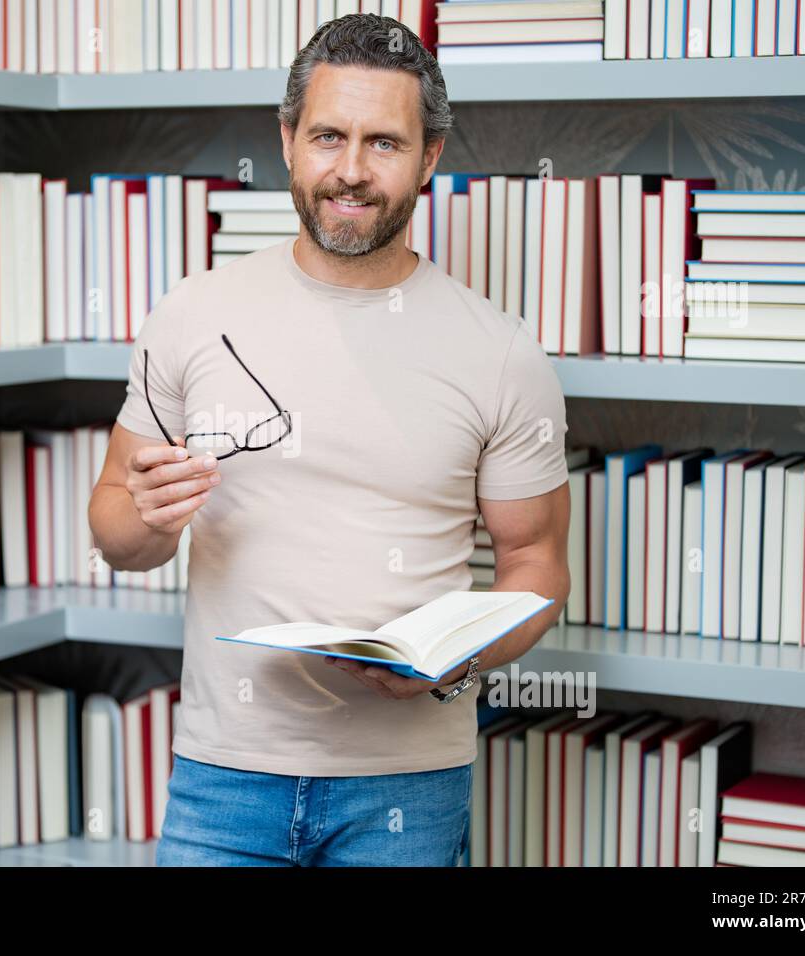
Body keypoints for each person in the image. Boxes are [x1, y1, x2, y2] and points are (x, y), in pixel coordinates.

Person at [88, 12, 571, 867]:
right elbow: (116, 530)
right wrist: (150, 521)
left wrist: (454, 663)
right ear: (286, 140)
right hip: (222, 773)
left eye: (384, 142)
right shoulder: (194, 315)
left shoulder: (500, 351)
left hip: (408, 781)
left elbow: (535, 564)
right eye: (327, 136)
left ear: (430, 157)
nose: (349, 171)